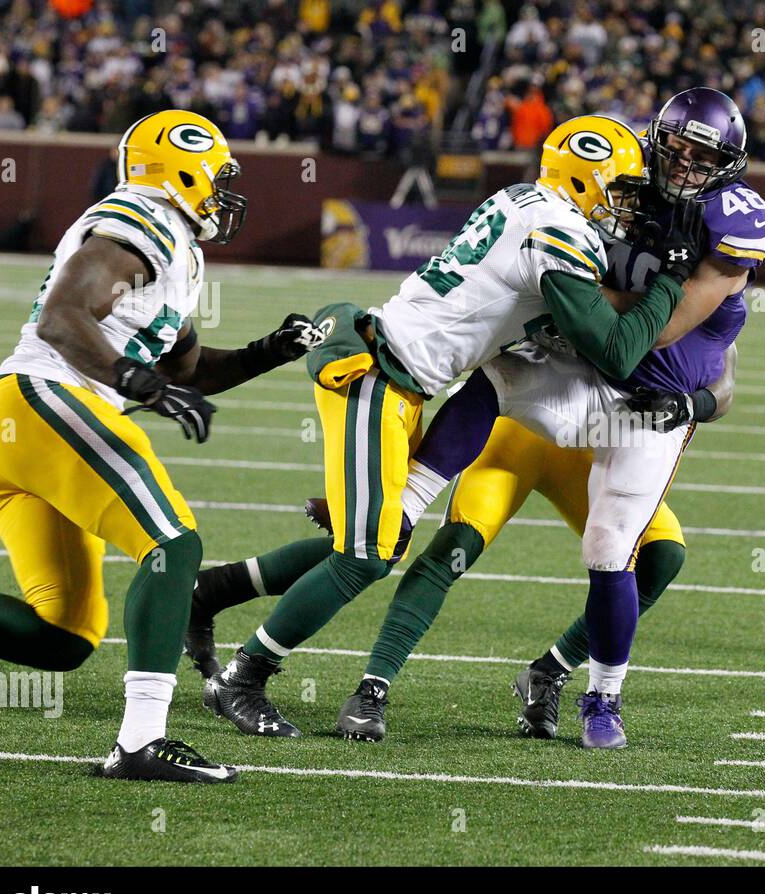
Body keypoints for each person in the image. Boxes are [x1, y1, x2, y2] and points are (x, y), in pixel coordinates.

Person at [196, 114, 706, 738]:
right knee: (366, 555)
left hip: (399, 380)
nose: (624, 206)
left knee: (378, 540)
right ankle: (244, 678)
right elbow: (618, 351)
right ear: (584, 178)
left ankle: (212, 593)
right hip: (376, 376)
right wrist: (672, 282)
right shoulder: (558, 232)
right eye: (619, 190)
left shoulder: (520, 201)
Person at [362, 88, 765, 748]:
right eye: (679, 146)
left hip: (643, 404)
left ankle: (601, 696)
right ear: (656, 140)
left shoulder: (733, 227)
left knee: (612, 551)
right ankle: (402, 508)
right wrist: (565, 297)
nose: (688, 163)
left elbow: (666, 336)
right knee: (496, 380)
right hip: (586, 374)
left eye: (706, 156)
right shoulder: (622, 181)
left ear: (730, 166)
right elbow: (569, 276)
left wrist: (580, 302)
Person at [0, 110, 323, 782]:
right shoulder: (142, 218)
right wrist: (140, 387)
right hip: (46, 400)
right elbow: (63, 317)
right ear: (178, 170)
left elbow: (186, 368)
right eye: (215, 177)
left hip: (16, 424)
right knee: (173, 545)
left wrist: (267, 352)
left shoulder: (175, 244)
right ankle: (140, 744)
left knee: (65, 636)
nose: (223, 193)